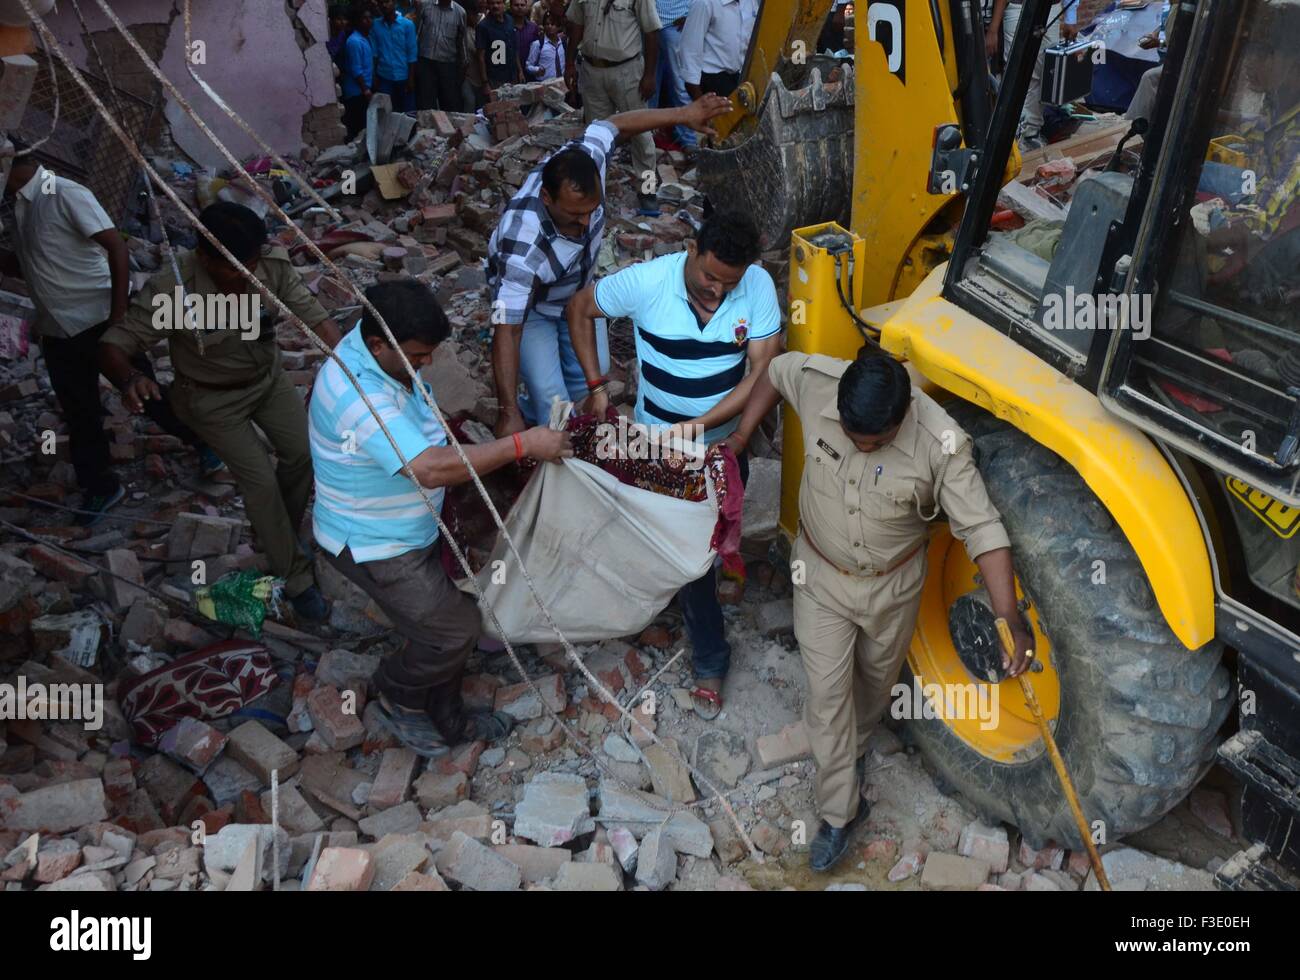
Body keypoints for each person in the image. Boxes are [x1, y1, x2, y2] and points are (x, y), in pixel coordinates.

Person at [729, 351, 1034, 871]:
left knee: (872, 686)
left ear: (904, 414)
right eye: (851, 436)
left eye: (875, 442)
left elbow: (983, 529)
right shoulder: (823, 383)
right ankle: (839, 813)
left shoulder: (941, 444)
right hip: (820, 578)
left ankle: (856, 747)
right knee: (827, 695)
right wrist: (739, 439)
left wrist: (1010, 616)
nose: (860, 447)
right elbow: (777, 371)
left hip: (892, 589)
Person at [308, 279, 573, 756]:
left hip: (409, 527)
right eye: (418, 354)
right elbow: (429, 468)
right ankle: (397, 692)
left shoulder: (379, 351)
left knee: (446, 617)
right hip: (376, 542)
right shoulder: (356, 396)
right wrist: (522, 444)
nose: (427, 363)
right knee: (457, 629)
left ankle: (445, 709)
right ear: (376, 345)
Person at [566, 210, 781, 719]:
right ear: (691, 251)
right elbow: (580, 308)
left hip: (723, 448)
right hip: (660, 444)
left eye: (729, 283)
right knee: (689, 554)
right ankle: (710, 656)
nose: (717, 292)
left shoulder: (756, 284)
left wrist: (722, 431)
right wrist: (596, 387)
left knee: (706, 541)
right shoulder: (646, 282)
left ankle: (701, 588)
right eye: (709, 277)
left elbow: (764, 369)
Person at [98, 203, 345, 623]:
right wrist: (128, 381)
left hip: (267, 380)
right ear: (206, 257)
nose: (247, 276)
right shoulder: (172, 290)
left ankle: (278, 531)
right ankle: (295, 575)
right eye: (234, 269)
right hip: (212, 400)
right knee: (260, 482)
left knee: (303, 454)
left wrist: (351, 371)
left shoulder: (268, 264)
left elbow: (316, 317)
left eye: (250, 266)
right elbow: (113, 345)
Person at [486, 95, 731, 440]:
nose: (586, 224)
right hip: (535, 309)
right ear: (547, 199)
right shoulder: (522, 248)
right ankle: (552, 448)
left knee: (593, 374)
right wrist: (505, 412)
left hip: (578, 290)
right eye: (574, 216)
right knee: (551, 400)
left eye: (592, 211)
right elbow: (507, 330)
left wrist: (684, 114)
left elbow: (615, 124)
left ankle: (578, 433)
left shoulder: (589, 156)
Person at [2, 144, 219, 525]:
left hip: (97, 316)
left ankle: (205, 442)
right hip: (57, 328)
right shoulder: (20, 206)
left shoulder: (63, 193)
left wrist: (119, 319)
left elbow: (115, 247)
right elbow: (32, 261)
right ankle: (100, 485)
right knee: (80, 411)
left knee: (142, 391)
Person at [565, 0, 663, 213]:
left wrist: (649, 75)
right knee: (596, 135)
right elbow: (577, 26)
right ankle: (593, 188)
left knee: (641, 135)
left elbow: (652, 33)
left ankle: (648, 190)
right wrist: (570, 63)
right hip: (592, 71)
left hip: (628, 72)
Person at [986, 0, 1079, 150]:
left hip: (1050, 8)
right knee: (1019, 74)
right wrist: (993, 29)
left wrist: (1070, 17)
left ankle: (1031, 132)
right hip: (1019, 9)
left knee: (1045, 73)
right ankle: (1017, 136)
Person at [679, 0, 758, 99]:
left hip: (741, 78)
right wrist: (697, 96)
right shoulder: (705, 2)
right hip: (712, 79)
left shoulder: (750, 3)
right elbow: (690, 48)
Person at [649, 0, 697, 150]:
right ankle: (646, 134)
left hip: (674, 24)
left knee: (680, 85)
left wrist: (692, 16)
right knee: (649, 85)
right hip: (649, 26)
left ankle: (688, 140)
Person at [414, 0, 468, 111]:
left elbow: (462, 42)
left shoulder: (460, 12)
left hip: (447, 64)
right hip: (426, 61)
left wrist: (464, 63)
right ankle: (426, 127)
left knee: (449, 103)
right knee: (426, 103)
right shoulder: (425, 6)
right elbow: (416, 35)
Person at [372, 0, 419, 112]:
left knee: (408, 113)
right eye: (381, 2)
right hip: (384, 76)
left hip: (403, 75)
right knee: (386, 113)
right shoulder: (375, 25)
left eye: (387, 1)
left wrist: (411, 78)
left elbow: (412, 53)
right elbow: (374, 53)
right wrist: (374, 77)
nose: (383, 4)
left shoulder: (407, 25)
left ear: (394, 3)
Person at [341, 5, 376, 140]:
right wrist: (366, 90)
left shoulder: (366, 38)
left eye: (370, 18)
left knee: (365, 125)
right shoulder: (354, 41)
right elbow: (356, 69)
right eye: (364, 18)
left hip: (364, 88)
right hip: (357, 92)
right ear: (357, 21)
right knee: (359, 127)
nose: (368, 21)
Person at [477, 0, 523, 97]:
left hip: (512, 74)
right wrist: (485, 83)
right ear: (488, 5)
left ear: (503, 5)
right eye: (492, 3)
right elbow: (481, 57)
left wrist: (520, 71)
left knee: (514, 106)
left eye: (498, 3)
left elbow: (514, 48)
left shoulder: (510, 20)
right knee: (499, 108)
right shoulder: (483, 26)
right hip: (495, 78)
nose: (495, 6)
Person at [526, 12, 566, 80]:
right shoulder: (538, 44)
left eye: (553, 24)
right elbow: (528, 66)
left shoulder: (563, 43)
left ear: (559, 27)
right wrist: (537, 69)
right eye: (547, 24)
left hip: (561, 83)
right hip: (544, 85)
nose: (549, 26)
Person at [510, 0, 542, 79]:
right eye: (516, 5)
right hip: (511, 73)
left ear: (527, 7)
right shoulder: (506, 27)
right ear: (511, 7)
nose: (519, 7)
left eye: (522, 5)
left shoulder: (533, 27)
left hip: (531, 72)